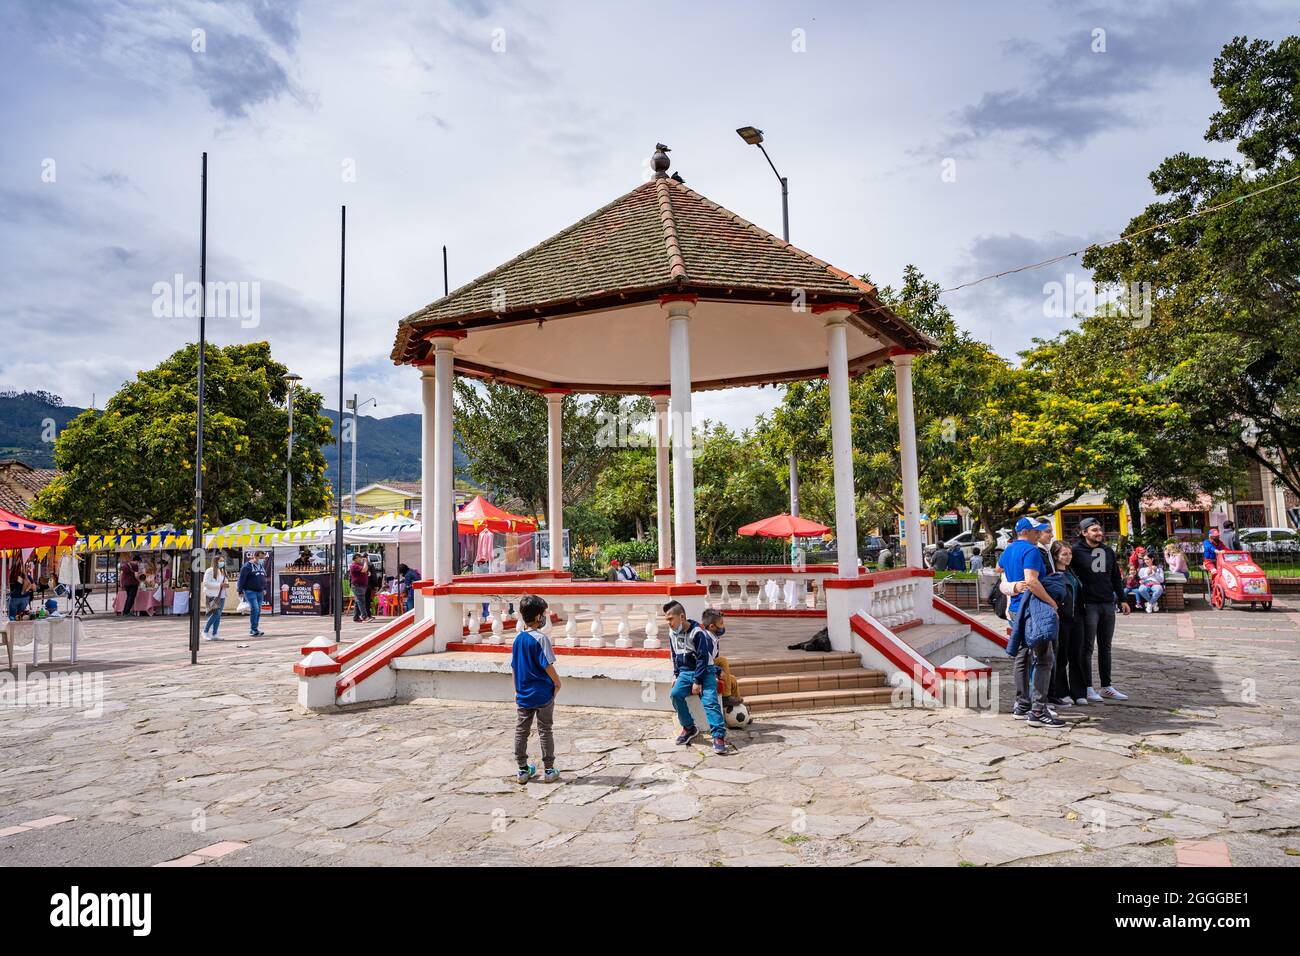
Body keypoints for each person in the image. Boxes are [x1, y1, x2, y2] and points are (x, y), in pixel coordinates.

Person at [1001, 517, 1065, 727]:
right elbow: (1031, 580)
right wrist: (1051, 603)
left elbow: (998, 569)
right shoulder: (1031, 551)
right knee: (1044, 657)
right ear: (1027, 532)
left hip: (1014, 608)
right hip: (1031, 609)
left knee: (1021, 657)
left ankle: (1022, 704)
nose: (1039, 535)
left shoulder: (1009, 550)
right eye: (1036, 531)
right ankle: (1038, 710)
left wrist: (1011, 586)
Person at [1069, 518, 1130, 703]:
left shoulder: (1107, 551)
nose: (1099, 533)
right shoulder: (1075, 551)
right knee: (1086, 648)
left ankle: (1106, 686)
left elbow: (1115, 577)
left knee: (1106, 647)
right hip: (1088, 605)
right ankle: (1087, 687)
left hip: (1107, 604)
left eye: (1099, 529)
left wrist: (1122, 599)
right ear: (1084, 532)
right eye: (1094, 530)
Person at [665, 602, 730, 754]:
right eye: (667, 620)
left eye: (670, 619)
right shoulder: (672, 633)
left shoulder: (697, 632)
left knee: (710, 701)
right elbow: (674, 655)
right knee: (675, 695)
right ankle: (689, 728)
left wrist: (697, 681)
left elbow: (702, 658)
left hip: (705, 671)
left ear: (682, 617)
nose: (669, 623)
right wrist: (676, 675)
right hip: (686, 672)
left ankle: (718, 736)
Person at [510, 593, 561, 784]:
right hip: (542, 694)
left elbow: (514, 667)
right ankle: (549, 769)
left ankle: (523, 770)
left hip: (523, 693)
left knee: (521, 730)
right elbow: (547, 665)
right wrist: (557, 683)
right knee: (545, 729)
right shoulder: (541, 639)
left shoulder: (518, 640)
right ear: (539, 616)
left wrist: (516, 690)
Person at [1049, 539, 1087, 707]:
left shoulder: (1072, 572)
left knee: (1077, 655)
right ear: (1056, 556)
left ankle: (1079, 691)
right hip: (1062, 619)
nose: (1068, 557)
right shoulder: (1053, 574)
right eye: (1064, 554)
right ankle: (1062, 691)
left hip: (1077, 618)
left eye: (1070, 554)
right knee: (1061, 656)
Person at [237, 550, 268, 637]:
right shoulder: (247, 566)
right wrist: (240, 590)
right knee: (255, 609)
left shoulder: (261, 566)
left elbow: (263, 577)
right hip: (250, 591)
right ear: (256, 557)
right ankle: (253, 629)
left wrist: (264, 588)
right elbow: (241, 579)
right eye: (262, 558)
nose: (263, 559)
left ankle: (255, 628)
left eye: (264, 558)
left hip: (260, 591)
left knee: (258, 611)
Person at [202, 554, 229, 641]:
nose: (222, 562)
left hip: (222, 595)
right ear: (216, 561)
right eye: (220, 561)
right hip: (212, 595)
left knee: (218, 615)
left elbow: (225, 582)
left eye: (223, 561)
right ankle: (205, 631)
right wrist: (219, 585)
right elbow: (206, 583)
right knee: (215, 613)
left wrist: (226, 585)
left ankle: (214, 633)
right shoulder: (210, 570)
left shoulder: (223, 571)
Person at [349, 553, 372, 623]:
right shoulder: (354, 565)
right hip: (357, 586)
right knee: (361, 602)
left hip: (361, 586)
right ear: (355, 558)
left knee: (358, 602)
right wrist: (365, 561)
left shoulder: (359, 565)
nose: (361, 559)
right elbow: (364, 570)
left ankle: (356, 617)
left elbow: (365, 570)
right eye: (360, 557)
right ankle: (364, 617)